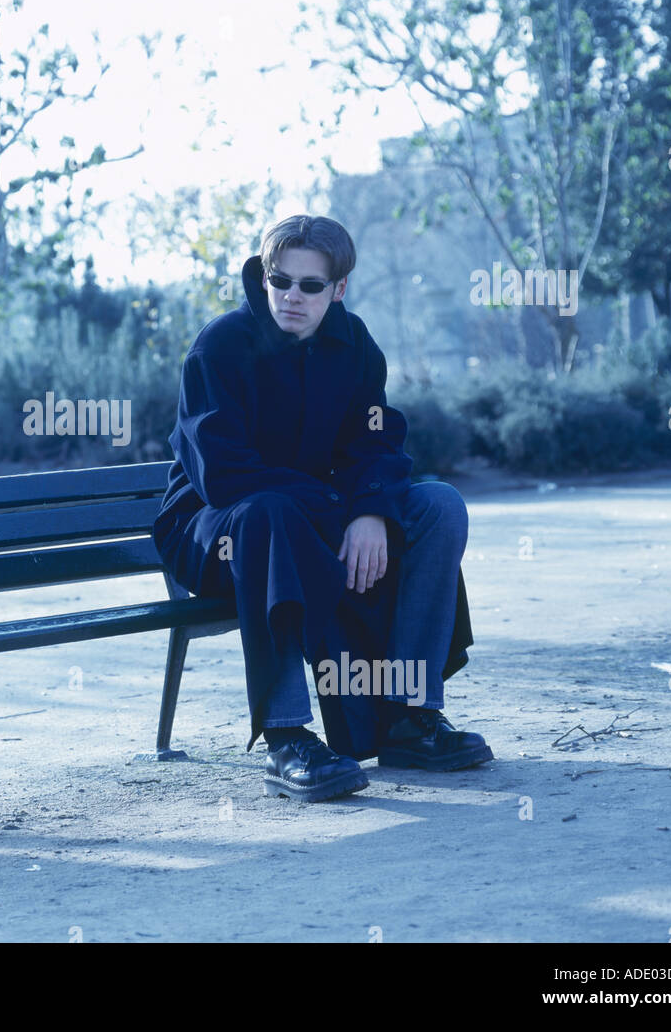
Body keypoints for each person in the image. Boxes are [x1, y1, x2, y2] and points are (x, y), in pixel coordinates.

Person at [153, 214, 492, 802]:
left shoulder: (354, 346)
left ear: (338, 288)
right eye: (279, 280)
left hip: (310, 516)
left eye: (310, 286)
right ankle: (287, 736)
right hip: (217, 529)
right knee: (269, 516)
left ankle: (409, 717)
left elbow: (375, 441)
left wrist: (371, 512)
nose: (291, 296)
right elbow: (223, 471)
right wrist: (343, 508)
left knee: (438, 506)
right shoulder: (222, 346)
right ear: (264, 276)